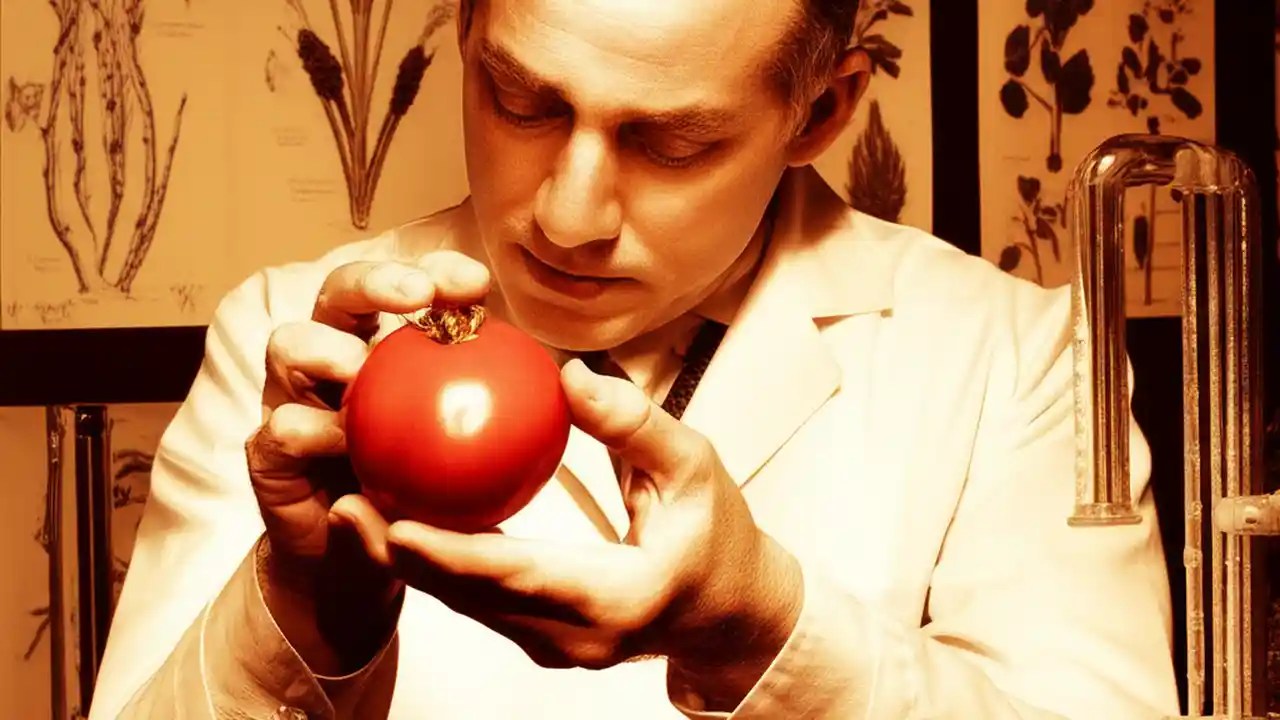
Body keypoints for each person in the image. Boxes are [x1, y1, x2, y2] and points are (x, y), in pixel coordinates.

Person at [88, 0, 1181, 718]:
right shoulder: (290, 341)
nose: (567, 218)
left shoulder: (1018, 362)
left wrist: (766, 627)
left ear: (822, 109)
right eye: (520, 101)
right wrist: (304, 613)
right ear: (465, 36)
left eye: (672, 142)